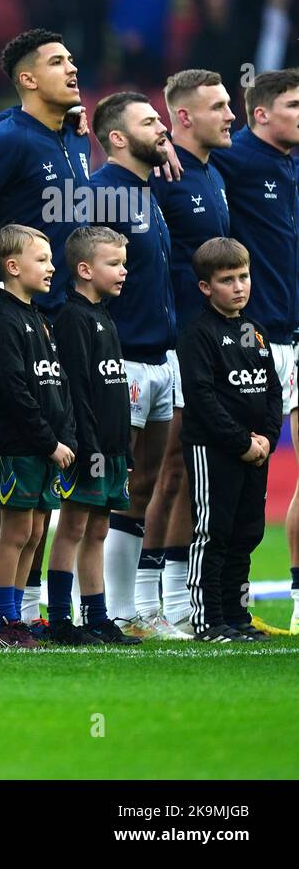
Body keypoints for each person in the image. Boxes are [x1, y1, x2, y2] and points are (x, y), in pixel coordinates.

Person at [86, 92, 182, 639]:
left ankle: (132, 607)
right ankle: (106, 608)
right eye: (150, 120)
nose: (162, 125)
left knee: (142, 482)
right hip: (119, 359)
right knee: (113, 485)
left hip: (159, 358)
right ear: (117, 138)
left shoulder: (148, 192)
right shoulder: (99, 195)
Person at [211, 70, 299, 636]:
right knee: (240, 477)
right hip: (254, 341)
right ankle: (211, 605)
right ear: (261, 113)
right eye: (295, 105)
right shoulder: (232, 160)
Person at [147, 69, 234, 635]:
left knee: (190, 467)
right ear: (183, 117)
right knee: (167, 467)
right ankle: (142, 599)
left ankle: (178, 602)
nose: (231, 114)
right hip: (171, 340)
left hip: (205, 342)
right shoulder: (161, 175)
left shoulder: (212, 172)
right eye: (219, 106)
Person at [178, 238, 282, 641]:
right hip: (215, 450)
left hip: (257, 451)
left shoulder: (256, 332)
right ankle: (208, 619)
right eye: (227, 280)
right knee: (213, 532)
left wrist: (269, 440)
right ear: (206, 287)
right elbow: (201, 399)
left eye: (244, 276)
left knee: (247, 534)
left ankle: (237, 616)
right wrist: (242, 442)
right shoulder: (197, 335)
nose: (239, 286)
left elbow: (272, 389)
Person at [0, 224, 76, 647]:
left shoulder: (39, 318)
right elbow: (12, 389)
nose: (52, 267)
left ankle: (15, 617)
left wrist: (66, 434)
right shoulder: (3, 319)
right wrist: (47, 439)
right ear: (14, 267)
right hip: (21, 446)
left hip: (47, 445)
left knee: (36, 534)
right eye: (43, 259)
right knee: (17, 531)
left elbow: (57, 384)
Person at [49, 226, 142, 645]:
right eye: (114, 264)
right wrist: (87, 447)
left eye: (124, 263)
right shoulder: (72, 319)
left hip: (112, 449)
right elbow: (77, 389)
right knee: (72, 528)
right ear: (85, 269)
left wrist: (122, 448)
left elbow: (113, 388)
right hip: (90, 449)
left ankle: (97, 616)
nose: (124, 271)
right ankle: (59, 619)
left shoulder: (105, 315)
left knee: (99, 531)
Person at [0, 29, 92, 317]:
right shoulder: (10, 140)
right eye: (56, 62)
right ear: (28, 80)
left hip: (74, 311)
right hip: (28, 313)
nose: (72, 67)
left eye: (70, 59)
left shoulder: (77, 136)